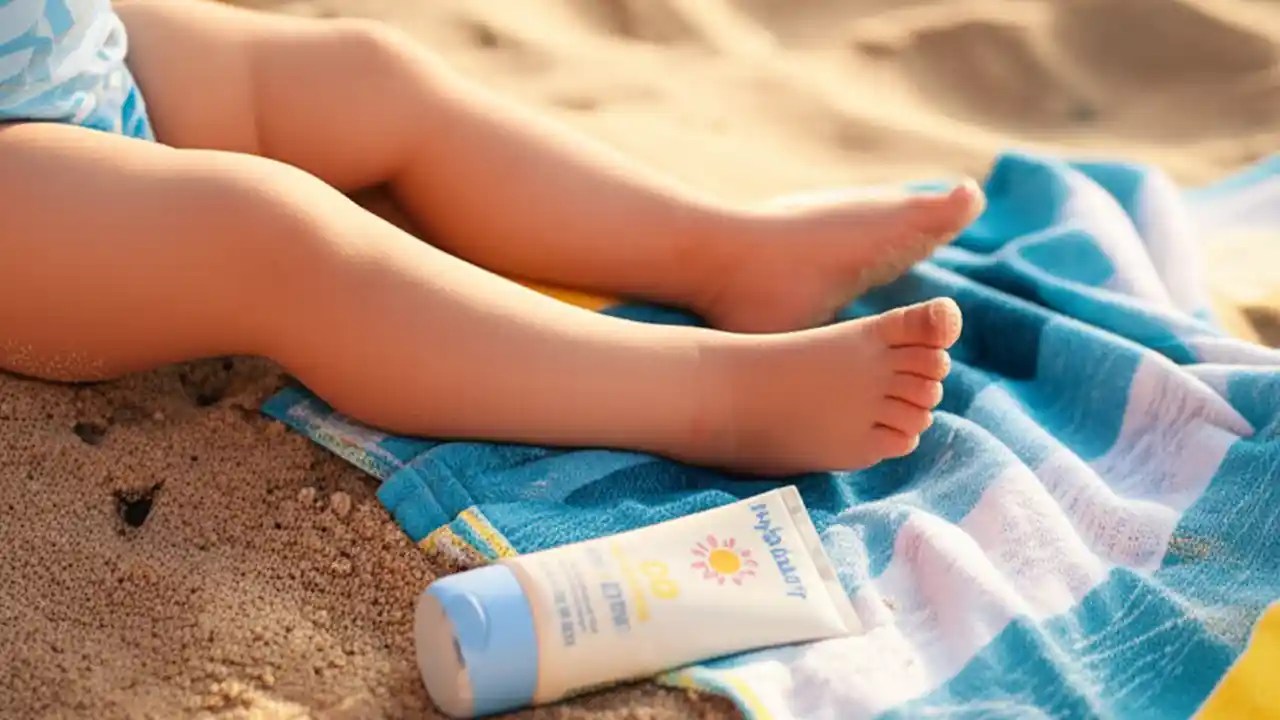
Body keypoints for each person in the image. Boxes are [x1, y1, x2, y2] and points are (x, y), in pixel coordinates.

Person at [0, 0, 984, 475]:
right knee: (267, 237)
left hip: (58, 49)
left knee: (365, 74)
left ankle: (725, 254)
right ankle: (715, 398)